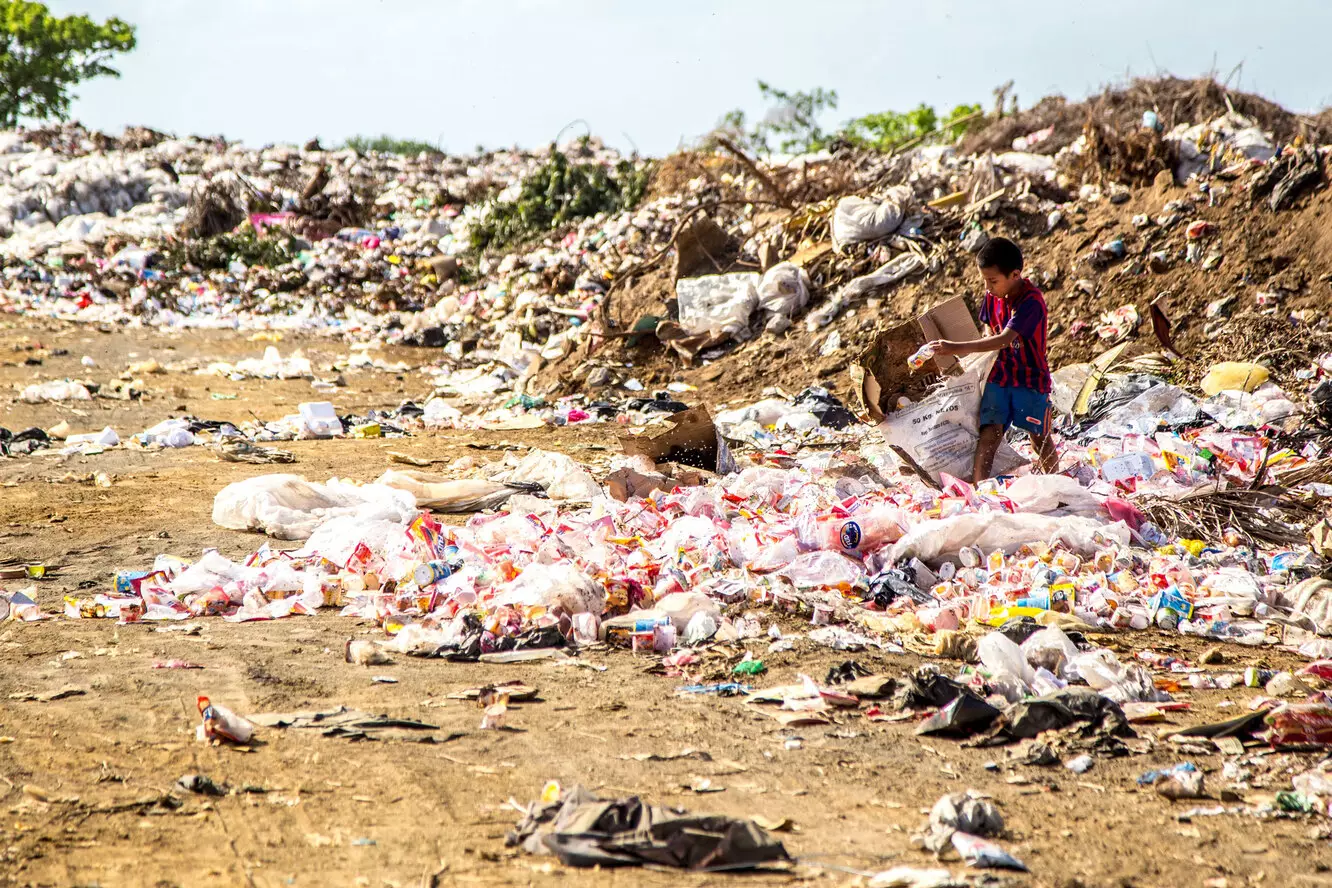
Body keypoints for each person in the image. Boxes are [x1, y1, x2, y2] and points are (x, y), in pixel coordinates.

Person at [925, 236, 1057, 485]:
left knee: (1039, 436)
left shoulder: (1031, 302)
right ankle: (980, 492)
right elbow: (989, 327)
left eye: (993, 281)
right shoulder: (992, 296)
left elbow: (1003, 339)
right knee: (989, 434)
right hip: (1000, 375)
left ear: (1015, 274)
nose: (988, 287)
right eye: (985, 280)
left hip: (1030, 378)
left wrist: (953, 347)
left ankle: (1057, 486)